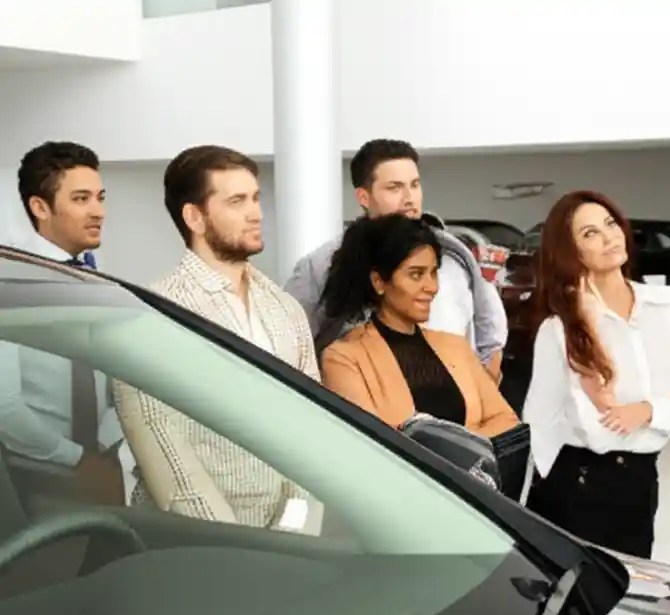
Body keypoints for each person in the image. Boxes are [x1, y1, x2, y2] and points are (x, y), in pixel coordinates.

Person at [112, 145, 317, 529]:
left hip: (292, 540)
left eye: (256, 198)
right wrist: (238, 548)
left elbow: (313, 425)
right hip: (193, 546)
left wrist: (295, 523)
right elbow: (167, 456)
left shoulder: (285, 309)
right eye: (237, 201)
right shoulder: (153, 316)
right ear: (195, 217)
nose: (256, 212)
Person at [522, 190, 670, 559]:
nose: (609, 236)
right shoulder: (561, 328)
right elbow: (573, 425)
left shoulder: (667, 310)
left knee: (629, 598)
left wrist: (647, 410)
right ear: (572, 251)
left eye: (610, 224)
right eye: (590, 233)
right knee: (578, 606)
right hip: (576, 481)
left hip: (640, 481)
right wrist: (669, 401)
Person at [283, 139, 506, 378]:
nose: (409, 198)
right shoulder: (322, 265)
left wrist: (479, 392)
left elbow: (490, 334)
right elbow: (290, 347)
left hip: (456, 400)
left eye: (415, 185)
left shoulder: (455, 253)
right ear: (364, 197)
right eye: (395, 187)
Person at [0, 141, 126, 506]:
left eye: (100, 197)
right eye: (81, 199)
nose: (98, 211)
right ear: (40, 207)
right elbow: (5, 407)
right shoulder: (13, 282)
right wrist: (78, 461)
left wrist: (108, 452)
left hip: (103, 463)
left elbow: (109, 373)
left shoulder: (94, 276)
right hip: (37, 473)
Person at [319, 213, 519, 438]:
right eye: (416, 275)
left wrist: (452, 445)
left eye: (434, 273)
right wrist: (469, 442)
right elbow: (371, 446)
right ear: (379, 282)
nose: (431, 287)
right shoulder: (344, 358)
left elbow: (508, 422)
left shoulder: (456, 346)